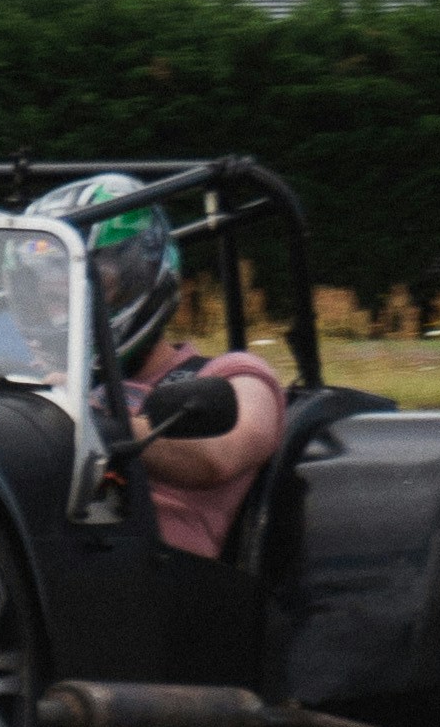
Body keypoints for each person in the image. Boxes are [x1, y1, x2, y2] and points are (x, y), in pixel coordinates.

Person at [28, 174, 286, 562]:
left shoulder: (233, 375)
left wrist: (84, 414)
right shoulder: (36, 379)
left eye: (86, 283)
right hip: (38, 553)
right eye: (49, 291)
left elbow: (218, 458)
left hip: (151, 573)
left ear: (140, 275)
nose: (64, 302)